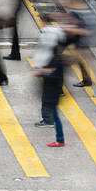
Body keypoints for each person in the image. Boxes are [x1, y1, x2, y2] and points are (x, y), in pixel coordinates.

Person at [32, 11, 67, 148]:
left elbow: (53, 74)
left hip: (52, 88)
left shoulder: (45, 35)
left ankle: (57, 135)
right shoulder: (58, 32)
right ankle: (57, 134)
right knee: (53, 110)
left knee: (52, 110)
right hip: (54, 87)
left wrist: (41, 70)